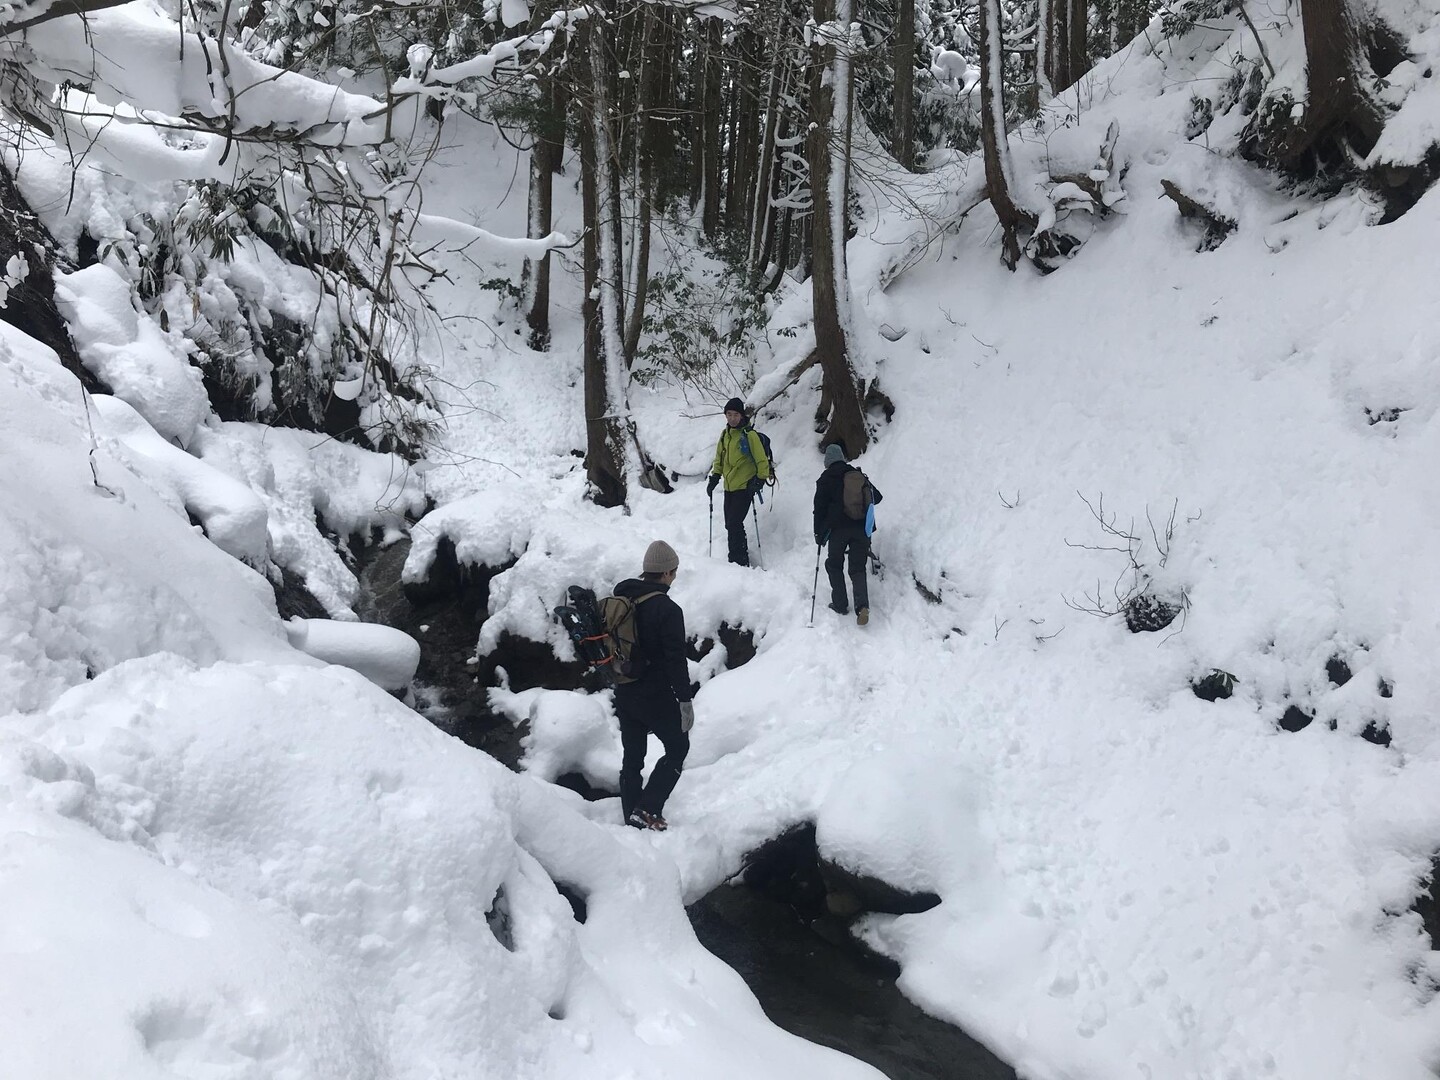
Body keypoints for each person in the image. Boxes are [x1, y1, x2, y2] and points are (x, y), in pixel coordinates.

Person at [611, 540, 694, 831]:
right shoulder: (668, 610)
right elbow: (676, 661)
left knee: (632, 756)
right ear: (668, 573)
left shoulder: (624, 601)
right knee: (678, 747)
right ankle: (647, 810)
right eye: (675, 571)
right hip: (655, 695)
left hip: (623, 689)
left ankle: (631, 813)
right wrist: (684, 700)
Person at [813, 443, 884, 626]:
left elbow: (819, 510)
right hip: (861, 529)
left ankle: (840, 604)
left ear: (827, 461)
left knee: (834, 564)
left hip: (838, 531)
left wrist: (818, 534)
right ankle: (862, 607)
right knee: (857, 568)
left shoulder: (825, 479)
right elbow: (877, 496)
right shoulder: (856, 475)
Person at [706, 397, 771, 566]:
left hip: (745, 487)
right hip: (729, 487)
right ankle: (734, 558)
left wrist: (760, 480)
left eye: (735, 414)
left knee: (735, 523)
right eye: (729, 414)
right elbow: (719, 459)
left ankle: (740, 560)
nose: (732, 418)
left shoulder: (749, 435)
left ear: (741, 416)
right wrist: (714, 477)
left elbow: (762, 460)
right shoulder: (725, 435)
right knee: (730, 524)